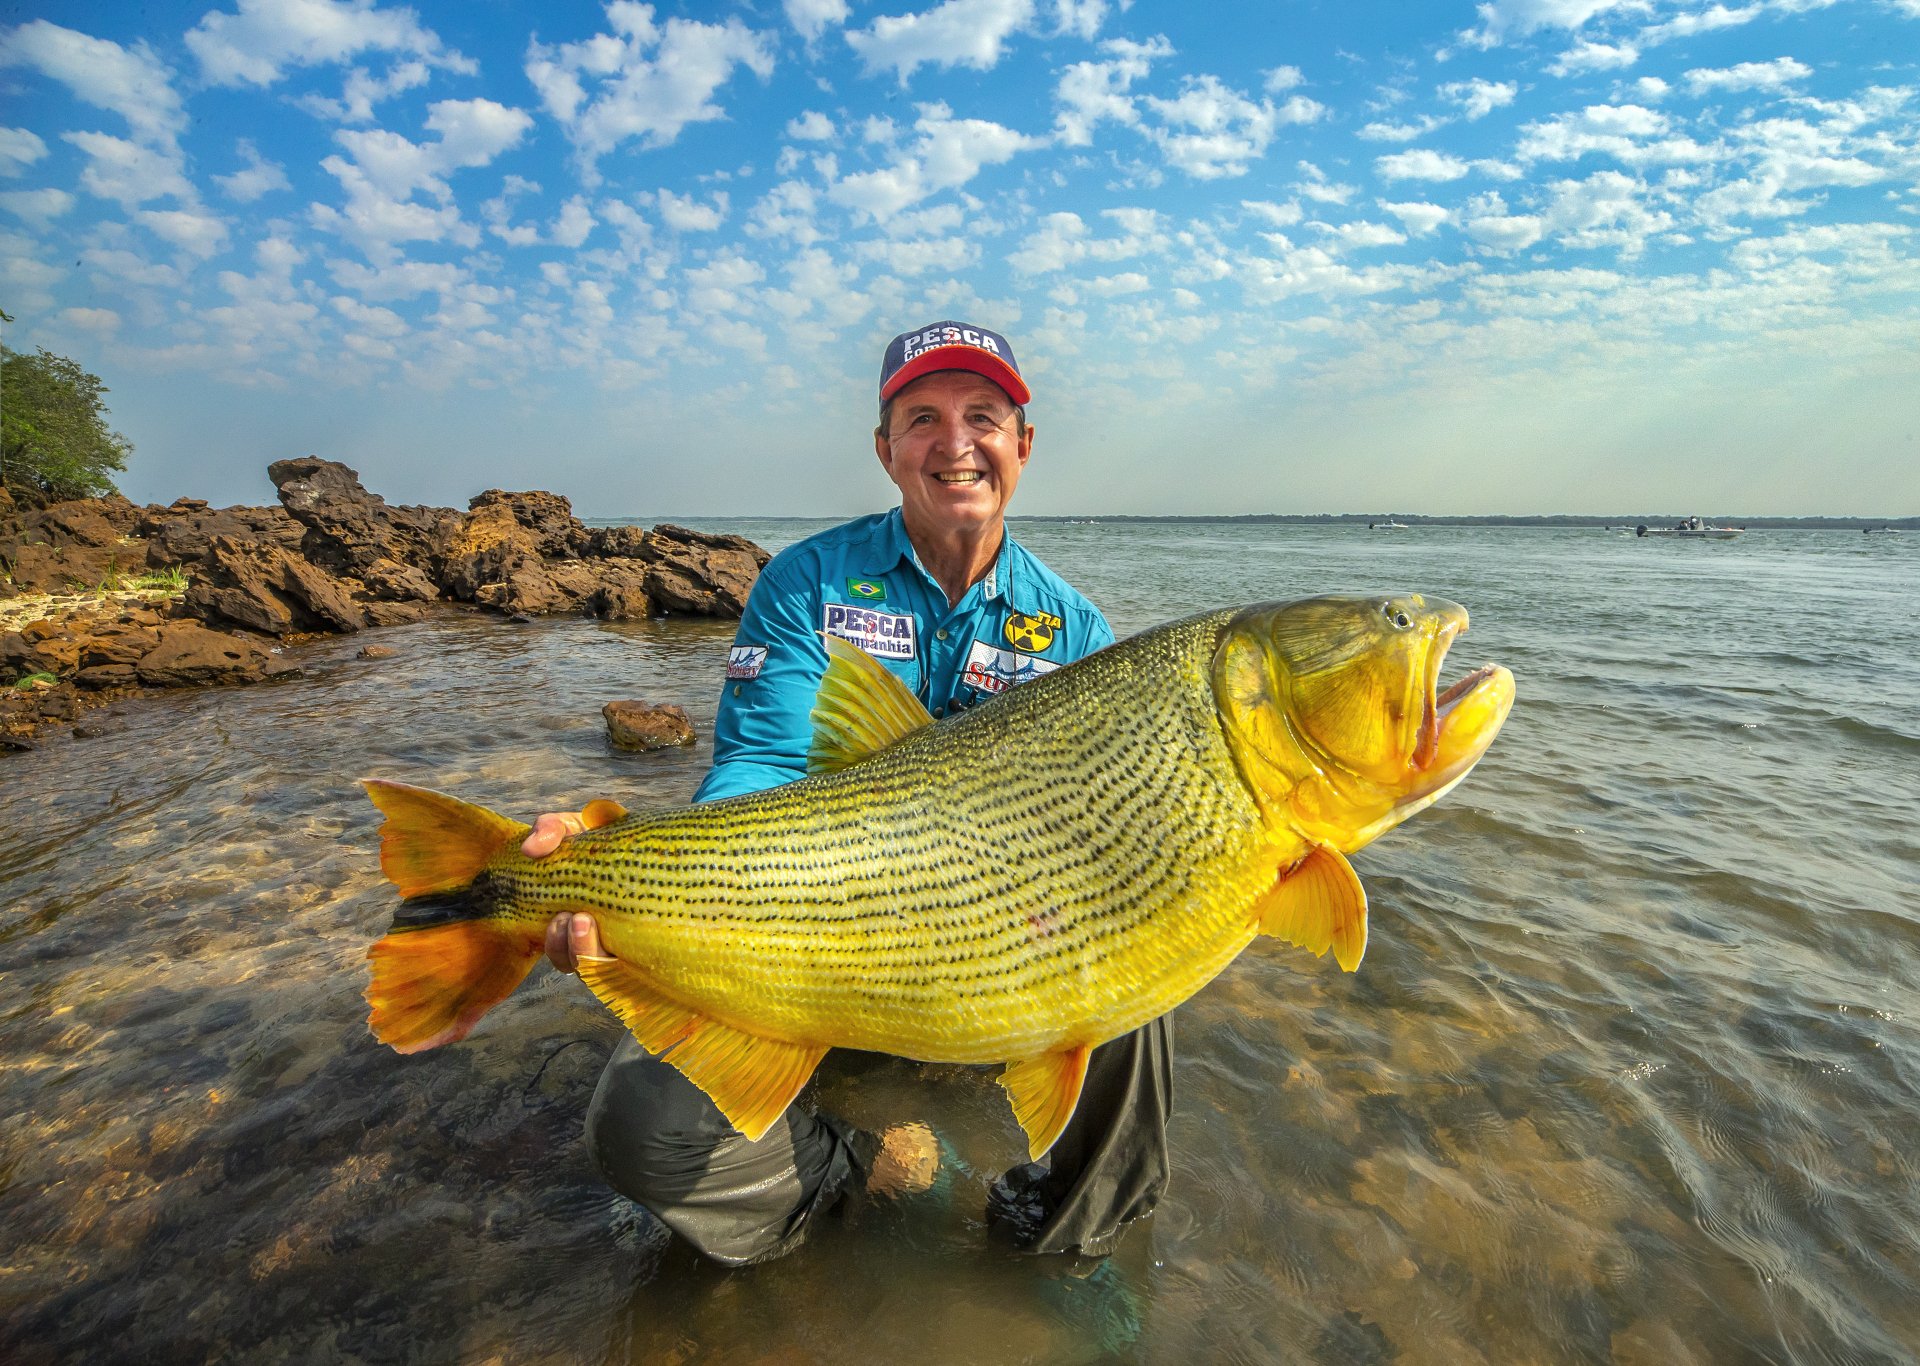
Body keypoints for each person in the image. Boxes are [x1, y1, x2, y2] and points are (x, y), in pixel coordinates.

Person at [523, 320, 1174, 1266]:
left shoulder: (1073, 630)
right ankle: (854, 1174)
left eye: (983, 416)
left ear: (1023, 444)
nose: (955, 442)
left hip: (1000, 949)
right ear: (886, 449)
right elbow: (757, 768)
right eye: (922, 418)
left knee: (1142, 975)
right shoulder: (804, 585)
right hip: (820, 927)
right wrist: (629, 868)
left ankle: (1068, 1249)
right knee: (642, 1127)